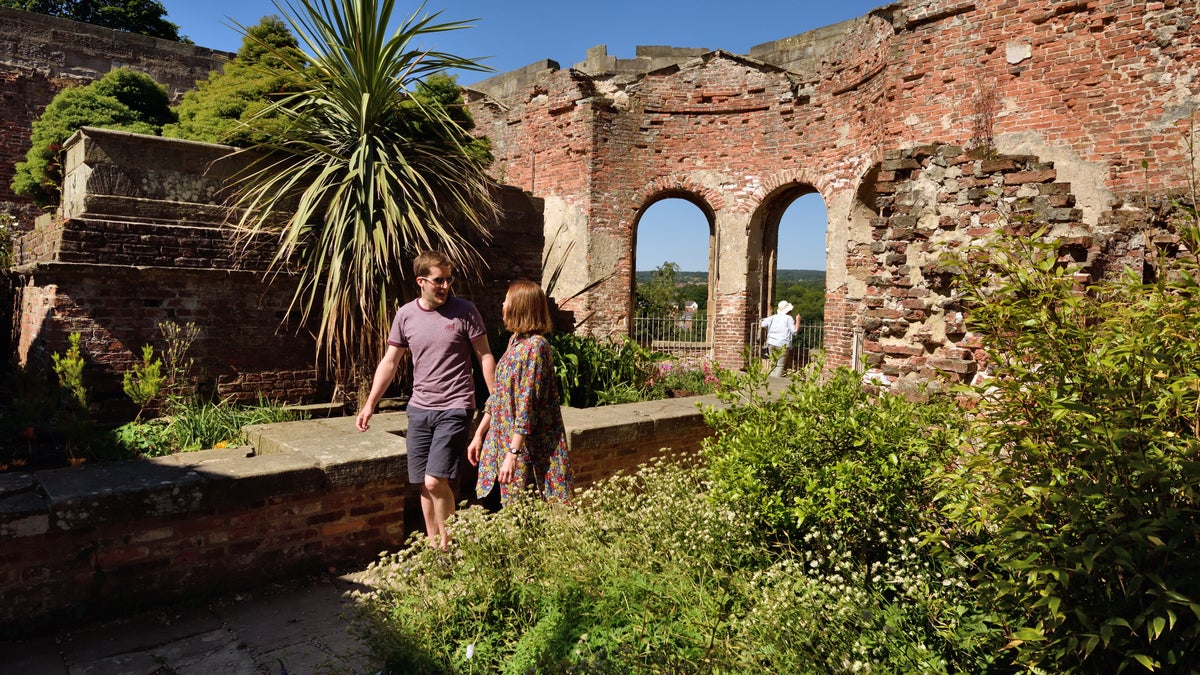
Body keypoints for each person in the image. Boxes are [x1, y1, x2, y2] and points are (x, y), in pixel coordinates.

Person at [356, 250, 495, 550]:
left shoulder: (465, 311)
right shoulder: (406, 315)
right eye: (439, 281)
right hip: (419, 409)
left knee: (435, 480)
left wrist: (495, 400)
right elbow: (390, 361)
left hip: (455, 406)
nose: (445, 286)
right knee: (423, 482)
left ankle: (450, 545)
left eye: (448, 280)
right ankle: (434, 548)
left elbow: (484, 355)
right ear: (421, 281)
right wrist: (370, 404)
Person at [467, 280, 572, 507]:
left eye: (507, 300)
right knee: (496, 511)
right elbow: (499, 395)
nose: (503, 304)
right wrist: (479, 433)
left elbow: (527, 406)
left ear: (519, 306)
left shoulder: (536, 347)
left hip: (525, 450)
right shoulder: (516, 341)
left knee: (524, 515)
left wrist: (513, 453)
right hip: (500, 443)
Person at [760, 299, 796, 377]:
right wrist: (798, 321)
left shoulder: (773, 317)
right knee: (779, 365)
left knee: (773, 364)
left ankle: (770, 380)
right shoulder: (788, 318)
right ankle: (775, 382)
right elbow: (794, 331)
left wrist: (768, 328)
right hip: (783, 344)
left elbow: (762, 324)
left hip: (771, 342)